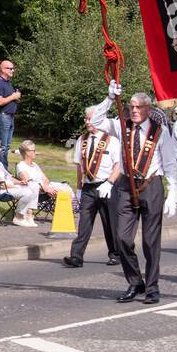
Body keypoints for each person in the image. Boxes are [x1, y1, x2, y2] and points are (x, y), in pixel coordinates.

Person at [88, 82, 177, 304]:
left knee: (150, 242)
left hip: (151, 185)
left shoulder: (160, 132)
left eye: (139, 107)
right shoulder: (122, 125)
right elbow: (96, 121)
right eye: (131, 107)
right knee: (122, 238)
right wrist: (110, 99)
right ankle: (135, 281)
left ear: (148, 109)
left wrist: (173, 193)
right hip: (126, 186)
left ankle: (152, 287)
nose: (134, 111)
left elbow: (170, 164)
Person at [64, 107, 121, 268]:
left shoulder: (112, 140)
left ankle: (115, 253)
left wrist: (110, 182)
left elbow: (118, 165)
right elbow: (80, 166)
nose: (87, 122)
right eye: (86, 119)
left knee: (110, 222)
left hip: (107, 185)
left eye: (90, 119)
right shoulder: (82, 140)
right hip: (89, 186)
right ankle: (76, 256)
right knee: (84, 222)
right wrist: (79, 189)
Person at [0, 137, 39, 227]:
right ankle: (19, 217)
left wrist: (20, 182)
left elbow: (8, 177)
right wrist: (16, 187)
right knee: (27, 192)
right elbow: (0, 185)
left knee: (34, 186)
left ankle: (28, 215)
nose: (1, 148)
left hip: (8, 187)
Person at [15, 140, 60, 217]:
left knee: (65, 188)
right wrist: (45, 189)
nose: (35, 152)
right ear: (27, 152)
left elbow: (46, 179)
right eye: (34, 150)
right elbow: (29, 182)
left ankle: (65, 216)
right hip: (33, 191)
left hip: (44, 189)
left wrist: (46, 188)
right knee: (59, 191)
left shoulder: (35, 165)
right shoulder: (21, 166)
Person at [0, 60, 22, 158]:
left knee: (6, 146)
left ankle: (4, 169)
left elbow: (7, 98)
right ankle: (2, 169)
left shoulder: (8, 82)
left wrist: (16, 98)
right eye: (10, 68)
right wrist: (13, 97)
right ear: (3, 69)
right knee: (2, 146)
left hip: (10, 116)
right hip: (3, 116)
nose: (13, 70)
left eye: (13, 68)